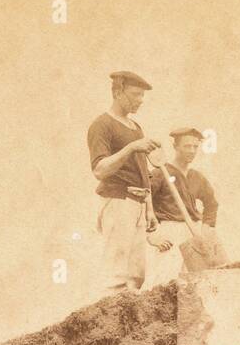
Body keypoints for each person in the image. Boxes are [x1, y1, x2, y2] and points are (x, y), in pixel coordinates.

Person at [86, 70, 163, 291]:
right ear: (118, 92)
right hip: (118, 201)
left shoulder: (136, 128)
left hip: (138, 205)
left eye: (142, 96)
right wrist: (131, 148)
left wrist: (149, 209)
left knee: (136, 275)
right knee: (116, 273)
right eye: (135, 94)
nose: (140, 100)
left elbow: (142, 170)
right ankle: (112, 323)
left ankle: (130, 324)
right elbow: (99, 170)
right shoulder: (102, 124)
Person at [147, 127, 226, 284]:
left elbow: (211, 204)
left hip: (194, 233)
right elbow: (144, 205)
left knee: (199, 282)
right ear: (175, 146)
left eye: (195, 147)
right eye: (187, 146)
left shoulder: (197, 177)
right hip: (169, 232)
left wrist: (206, 228)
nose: (192, 151)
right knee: (165, 281)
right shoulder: (159, 173)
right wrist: (152, 236)